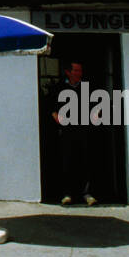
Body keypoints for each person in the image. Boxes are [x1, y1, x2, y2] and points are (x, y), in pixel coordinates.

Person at [50, 61, 97, 206]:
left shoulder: (87, 88)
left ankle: (86, 193)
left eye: (80, 71)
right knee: (66, 161)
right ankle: (67, 194)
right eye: (76, 71)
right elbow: (52, 108)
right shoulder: (59, 88)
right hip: (67, 130)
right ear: (68, 72)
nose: (79, 73)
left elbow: (97, 104)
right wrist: (57, 118)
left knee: (85, 161)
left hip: (83, 128)